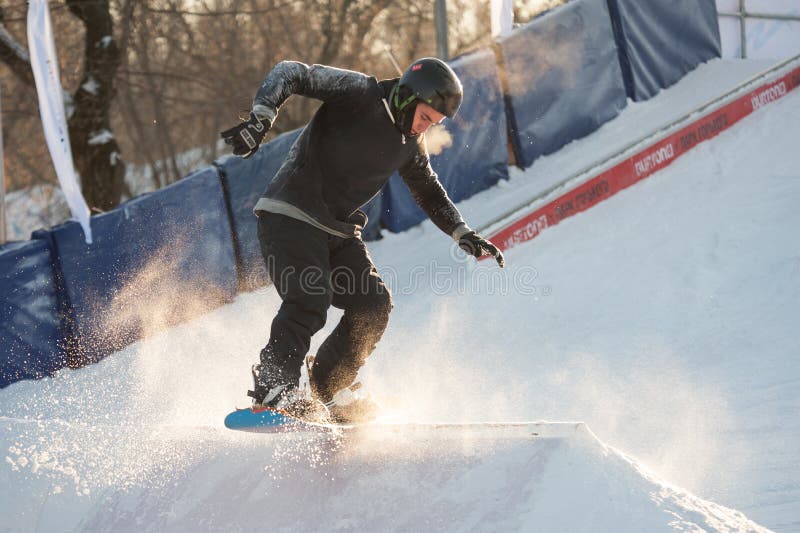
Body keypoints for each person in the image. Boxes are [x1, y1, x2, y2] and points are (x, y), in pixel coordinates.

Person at [221, 57, 504, 423]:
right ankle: (274, 387)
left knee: (373, 305)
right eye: (425, 117)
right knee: (310, 296)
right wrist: (261, 115)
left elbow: (429, 191)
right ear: (407, 97)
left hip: (338, 231)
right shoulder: (360, 94)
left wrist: (462, 231)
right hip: (290, 216)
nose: (425, 128)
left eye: (434, 125)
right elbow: (292, 73)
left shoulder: (409, 143)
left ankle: (330, 384)